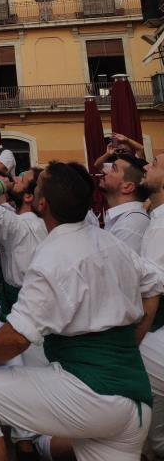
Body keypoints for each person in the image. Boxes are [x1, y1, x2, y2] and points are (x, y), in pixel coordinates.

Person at [0, 161, 161, 461]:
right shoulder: (111, 242)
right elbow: (154, 286)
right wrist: (134, 339)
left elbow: (17, 337)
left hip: (89, 394)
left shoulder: (53, 255)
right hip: (134, 400)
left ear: (42, 203)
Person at [0, 169, 47, 321]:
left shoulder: (18, 225)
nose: (15, 179)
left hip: (23, 309)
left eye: (21, 180)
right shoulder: (40, 222)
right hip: (19, 300)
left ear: (29, 196)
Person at [138, 152, 164, 456]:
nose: (146, 166)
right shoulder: (155, 220)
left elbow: (152, 293)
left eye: (154, 164)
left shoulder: (159, 226)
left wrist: (132, 344)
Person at [99, 153, 149, 254]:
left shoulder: (129, 226)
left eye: (113, 169)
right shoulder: (124, 220)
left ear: (127, 187)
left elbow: (116, 268)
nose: (103, 171)